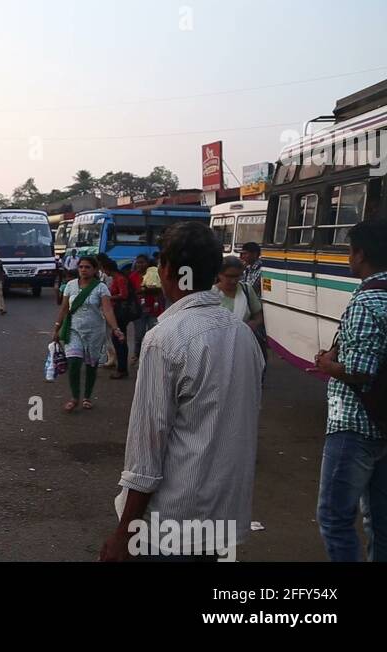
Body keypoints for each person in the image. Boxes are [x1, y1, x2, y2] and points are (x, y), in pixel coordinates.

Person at [100, 222, 264, 561]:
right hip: (224, 518)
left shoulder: (165, 338)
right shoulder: (244, 336)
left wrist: (125, 532)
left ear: (167, 271)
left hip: (174, 524)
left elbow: (146, 455)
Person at [313, 220, 387, 562]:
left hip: (354, 426)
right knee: (380, 520)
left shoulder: (365, 302)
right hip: (383, 425)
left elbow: (359, 371)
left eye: (348, 251)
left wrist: (328, 365)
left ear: (361, 255)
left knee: (334, 517)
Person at [52, 256, 124, 412]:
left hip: (94, 332)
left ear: (95, 270)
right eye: (81, 267)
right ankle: (75, 397)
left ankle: (87, 397)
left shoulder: (101, 288)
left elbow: (107, 309)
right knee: (74, 363)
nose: (83, 270)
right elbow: (64, 308)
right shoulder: (70, 286)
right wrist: (57, 328)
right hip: (73, 330)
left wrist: (116, 329)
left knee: (91, 366)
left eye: (87, 267)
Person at [128, 254, 162, 367]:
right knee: (139, 335)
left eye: (142, 262)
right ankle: (136, 355)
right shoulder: (132, 277)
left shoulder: (155, 275)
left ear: (148, 264)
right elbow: (131, 293)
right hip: (139, 311)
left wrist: (150, 290)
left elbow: (161, 290)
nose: (140, 265)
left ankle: (151, 359)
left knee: (153, 336)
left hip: (154, 309)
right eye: (138, 262)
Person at [104, 258, 133, 379]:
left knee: (119, 340)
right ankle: (121, 367)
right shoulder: (117, 278)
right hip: (118, 312)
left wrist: (109, 298)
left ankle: (122, 369)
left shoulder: (120, 279)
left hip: (121, 313)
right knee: (118, 340)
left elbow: (124, 295)